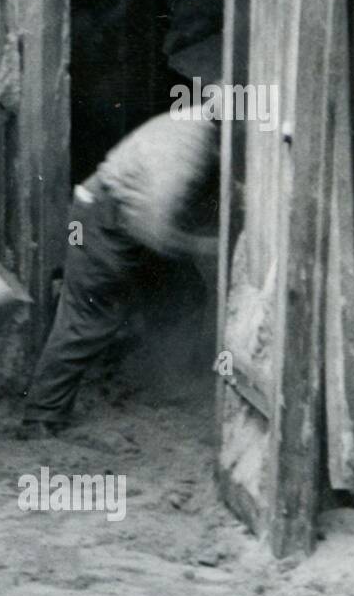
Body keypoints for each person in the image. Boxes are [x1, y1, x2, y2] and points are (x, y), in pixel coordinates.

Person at [20, 107, 219, 433]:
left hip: (128, 218)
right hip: (104, 217)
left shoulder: (205, 131)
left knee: (186, 293)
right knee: (88, 317)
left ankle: (166, 382)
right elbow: (153, 228)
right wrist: (207, 247)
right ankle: (41, 416)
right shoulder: (188, 144)